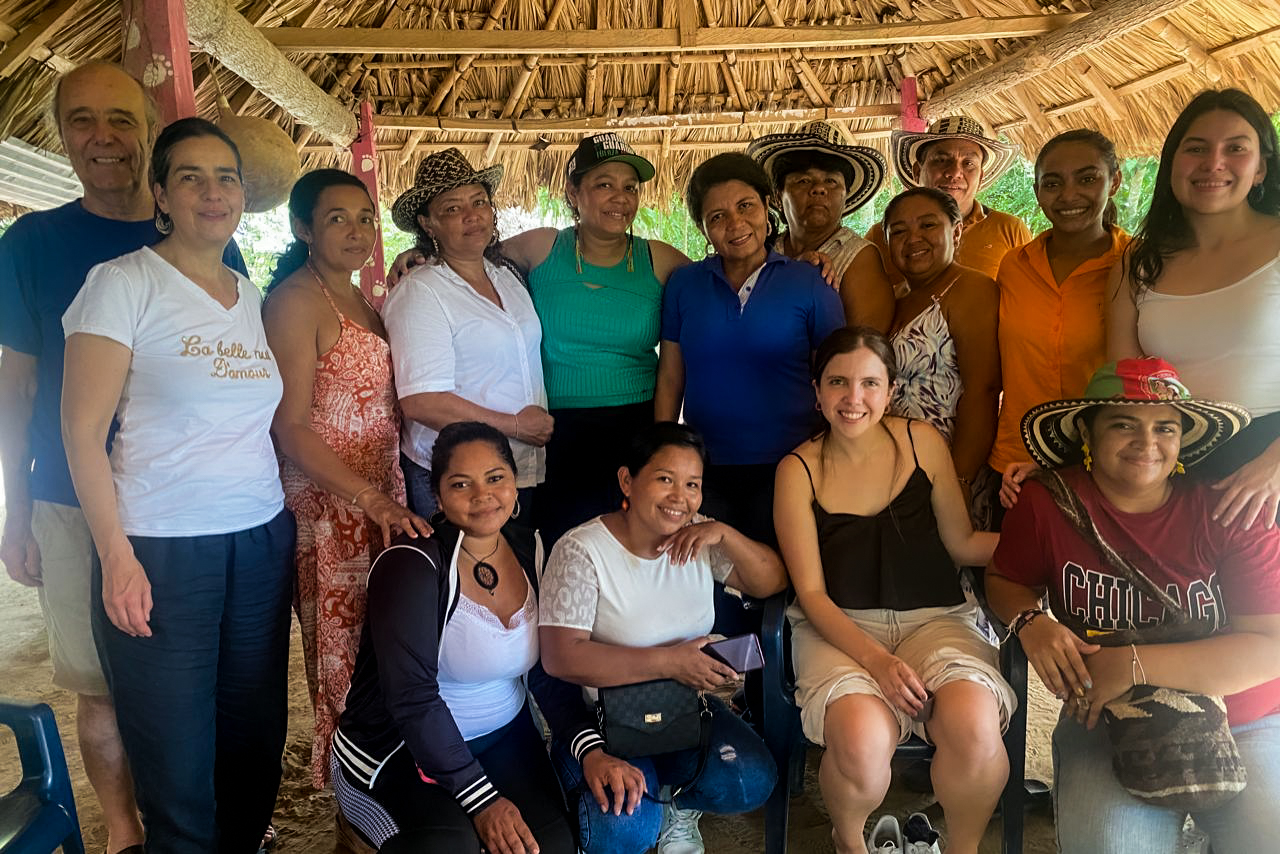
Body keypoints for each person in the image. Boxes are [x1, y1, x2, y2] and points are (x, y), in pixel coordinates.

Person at [0, 62, 244, 854]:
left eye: (121, 120)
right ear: (60, 134)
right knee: (101, 684)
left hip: (190, 509)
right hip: (73, 499)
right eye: (81, 120)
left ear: (149, 133)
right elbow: (15, 390)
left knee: (196, 681)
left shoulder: (210, 240)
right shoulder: (31, 244)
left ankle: (199, 816)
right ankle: (125, 830)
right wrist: (16, 512)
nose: (102, 137)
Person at [61, 117, 291, 853]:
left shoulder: (248, 294)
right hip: (161, 544)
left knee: (253, 734)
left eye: (226, 177)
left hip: (258, 536)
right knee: (176, 749)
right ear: (160, 193)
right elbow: (82, 433)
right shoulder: (121, 284)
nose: (212, 192)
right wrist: (116, 554)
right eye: (190, 177)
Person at [986, 358, 1279, 854]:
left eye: (1165, 427)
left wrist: (1130, 664)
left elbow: (1271, 648)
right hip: (1107, 715)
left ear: (1183, 437)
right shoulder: (1047, 504)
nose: (1147, 443)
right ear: (1087, 431)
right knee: (1111, 846)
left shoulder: (1229, 506)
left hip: (1243, 716)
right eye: (1124, 424)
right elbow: (1003, 578)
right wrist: (1031, 621)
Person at [774, 326, 1014, 854]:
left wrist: (1049, 547)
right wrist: (879, 663)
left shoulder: (922, 442)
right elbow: (811, 595)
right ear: (817, 392)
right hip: (841, 629)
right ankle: (850, 842)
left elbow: (962, 543)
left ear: (890, 391)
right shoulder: (797, 470)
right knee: (860, 743)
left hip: (937, 620)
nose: (853, 398)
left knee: (975, 728)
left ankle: (963, 849)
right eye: (837, 382)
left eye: (869, 383)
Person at [332, 421, 610, 854]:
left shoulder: (532, 551)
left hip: (504, 738)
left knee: (551, 845)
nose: (483, 495)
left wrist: (589, 748)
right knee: (449, 846)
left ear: (515, 483)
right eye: (461, 484)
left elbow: (549, 670)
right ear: (438, 495)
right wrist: (481, 799)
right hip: (397, 751)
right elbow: (411, 697)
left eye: (495, 478)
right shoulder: (412, 563)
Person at [539, 421, 785, 854]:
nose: (680, 497)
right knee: (625, 831)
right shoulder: (582, 550)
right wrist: (671, 662)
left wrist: (725, 534)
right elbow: (561, 657)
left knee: (750, 778)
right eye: (665, 479)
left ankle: (675, 804)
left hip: (685, 709)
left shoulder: (697, 538)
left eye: (693, 484)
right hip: (605, 720)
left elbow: (771, 581)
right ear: (627, 481)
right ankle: (620, 797)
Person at [263, 168, 431, 788]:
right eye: (337, 219)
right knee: (343, 654)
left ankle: (390, 777)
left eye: (365, 218)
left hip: (380, 493)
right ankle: (352, 791)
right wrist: (364, 496)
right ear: (303, 228)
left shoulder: (365, 297)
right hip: (330, 504)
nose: (357, 231)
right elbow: (289, 425)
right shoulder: (295, 301)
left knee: (385, 642)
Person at [501, 134, 691, 547]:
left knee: (634, 549)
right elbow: (467, 264)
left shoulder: (658, 259)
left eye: (630, 187)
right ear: (574, 192)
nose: (620, 198)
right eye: (604, 184)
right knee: (563, 546)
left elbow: (725, 284)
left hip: (637, 427)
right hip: (555, 430)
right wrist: (418, 256)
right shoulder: (542, 247)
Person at [1107, 88, 1280, 531]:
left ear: (1261, 167)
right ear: (1171, 164)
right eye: (1197, 148)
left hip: (1267, 474)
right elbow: (1124, 384)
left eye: (1235, 149)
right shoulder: (1138, 261)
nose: (1213, 163)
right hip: (1167, 470)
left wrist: (1274, 467)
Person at [655, 152, 844, 544]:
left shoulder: (810, 282)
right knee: (710, 574)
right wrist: (661, 452)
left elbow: (835, 378)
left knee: (780, 573)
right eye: (717, 216)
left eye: (746, 206)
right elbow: (671, 375)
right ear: (703, 228)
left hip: (793, 465)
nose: (735, 223)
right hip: (704, 469)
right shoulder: (684, 284)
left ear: (767, 205)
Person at [382, 148, 549, 540]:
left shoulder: (505, 275)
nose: (472, 215)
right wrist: (515, 426)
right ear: (428, 223)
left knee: (515, 573)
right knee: (463, 575)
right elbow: (422, 401)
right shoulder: (421, 291)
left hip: (515, 468)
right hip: (456, 478)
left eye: (479, 202)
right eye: (453, 208)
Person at [990, 130, 1129, 501]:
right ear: (1037, 192)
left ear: (1114, 181)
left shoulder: (1136, 265)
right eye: (1052, 183)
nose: (1069, 195)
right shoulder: (1014, 266)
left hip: (1103, 467)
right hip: (1014, 465)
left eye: (1087, 179)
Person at [884, 188, 1000, 516]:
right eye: (899, 231)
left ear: (957, 231)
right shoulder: (892, 297)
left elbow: (983, 390)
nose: (913, 238)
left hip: (948, 468)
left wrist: (959, 480)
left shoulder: (971, 289)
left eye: (928, 225)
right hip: (894, 471)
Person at [747, 120, 895, 331]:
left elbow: (866, 344)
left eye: (831, 181)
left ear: (846, 196)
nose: (818, 189)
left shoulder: (858, 256)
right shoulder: (763, 251)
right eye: (803, 181)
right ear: (779, 197)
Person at [868, 115, 1030, 283]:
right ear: (917, 171)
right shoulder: (881, 237)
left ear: (981, 177)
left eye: (968, 163)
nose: (954, 172)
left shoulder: (1010, 231)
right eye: (941, 160)